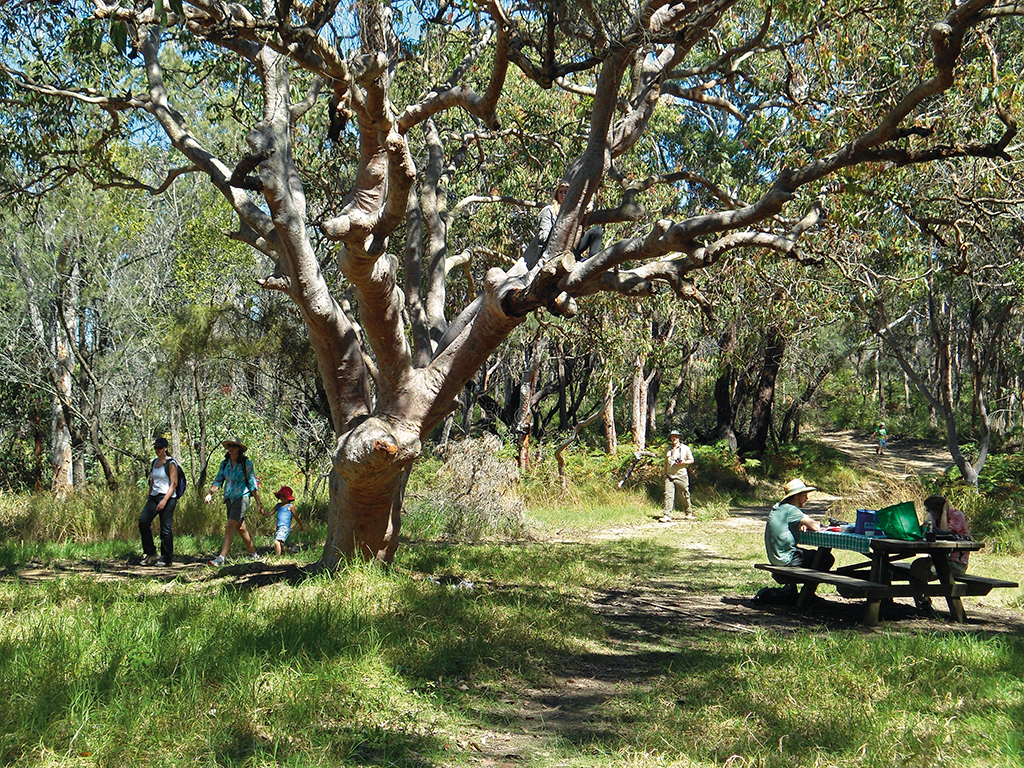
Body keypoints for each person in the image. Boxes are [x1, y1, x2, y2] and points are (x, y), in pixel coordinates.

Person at [204, 437, 263, 566]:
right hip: (229, 498)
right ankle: (253, 554)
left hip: (242, 497)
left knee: (230, 525)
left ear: (239, 449)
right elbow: (218, 480)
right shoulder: (224, 463)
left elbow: (253, 483)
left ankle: (221, 558)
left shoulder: (246, 463)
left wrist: (259, 502)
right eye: (229, 446)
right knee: (240, 528)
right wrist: (210, 493)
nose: (231, 448)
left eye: (234, 446)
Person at [910, 495, 971, 613]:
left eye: (929, 510)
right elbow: (926, 530)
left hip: (955, 563)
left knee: (924, 570)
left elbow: (944, 533)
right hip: (938, 559)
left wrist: (944, 513)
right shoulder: (934, 518)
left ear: (937, 509)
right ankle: (924, 602)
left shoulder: (956, 516)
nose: (928, 512)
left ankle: (926, 603)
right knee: (916, 567)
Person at [764, 478, 835, 571]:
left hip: (776, 558)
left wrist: (800, 523)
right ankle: (809, 584)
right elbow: (816, 527)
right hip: (787, 559)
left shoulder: (779, 508)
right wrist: (809, 520)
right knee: (826, 558)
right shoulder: (792, 510)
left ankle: (803, 584)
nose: (807, 498)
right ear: (797, 496)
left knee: (815, 556)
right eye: (805, 495)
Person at [536, 182, 604, 261]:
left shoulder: (575, 211)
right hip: (556, 249)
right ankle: (579, 258)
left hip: (574, 246)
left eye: (566, 192)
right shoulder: (549, 210)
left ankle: (592, 261)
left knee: (597, 230)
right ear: (556, 194)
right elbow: (543, 237)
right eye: (560, 192)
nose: (563, 195)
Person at [139, 437, 179, 566]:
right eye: (155, 447)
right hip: (154, 496)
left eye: (160, 447)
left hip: (168, 497)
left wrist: (164, 501)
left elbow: (174, 484)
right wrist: (150, 494)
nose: (157, 450)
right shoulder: (154, 462)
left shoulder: (171, 463)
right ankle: (151, 553)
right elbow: (152, 480)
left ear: (165, 448)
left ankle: (167, 558)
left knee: (165, 529)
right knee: (143, 522)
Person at [660, 430, 694, 522]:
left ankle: (688, 512)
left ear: (679, 438)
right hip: (669, 475)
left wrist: (683, 462)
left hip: (681, 475)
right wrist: (664, 474)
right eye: (673, 436)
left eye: (676, 436)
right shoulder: (668, 449)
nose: (674, 438)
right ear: (671, 438)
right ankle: (667, 515)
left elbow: (691, 460)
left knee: (684, 494)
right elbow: (666, 463)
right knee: (668, 495)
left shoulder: (685, 448)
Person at [266, 485, 305, 556]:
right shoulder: (278, 505)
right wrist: (264, 513)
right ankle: (289, 550)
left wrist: (301, 526)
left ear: (288, 498)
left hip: (285, 527)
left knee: (276, 542)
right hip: (279, 527)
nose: (282, 498)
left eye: (284, 496)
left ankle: (277, 557)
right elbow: (271, 513)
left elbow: (296, 517)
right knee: (279, 543)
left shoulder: (290, 506)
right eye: (280, 496)